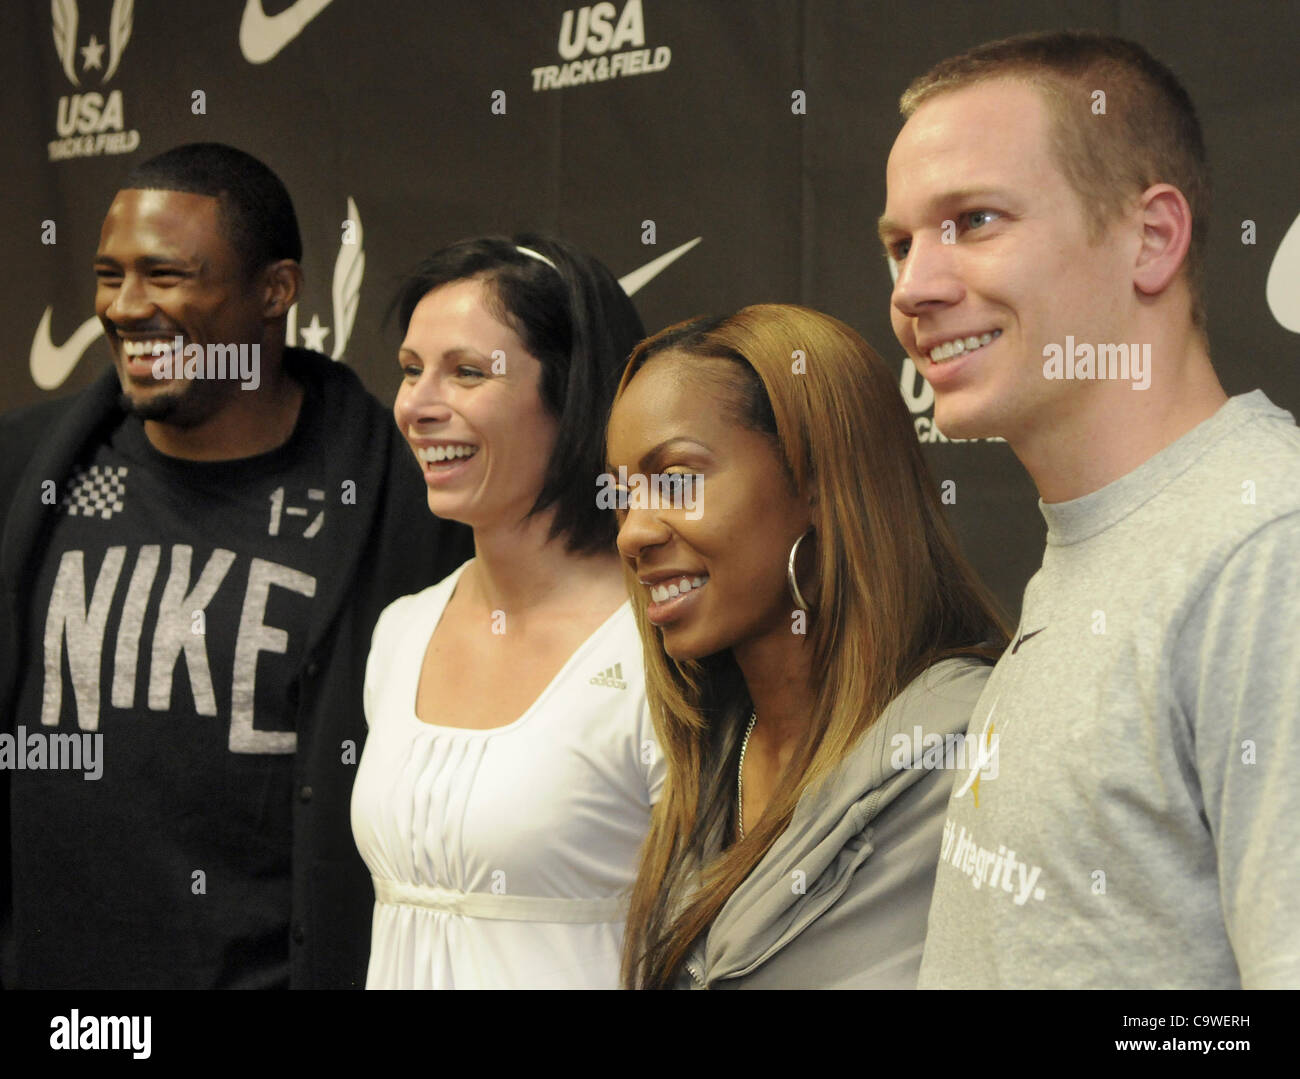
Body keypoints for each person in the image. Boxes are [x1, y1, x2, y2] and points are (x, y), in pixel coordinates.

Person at [881, 30, 1300, 989]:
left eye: (975, 220)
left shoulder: (1267, 549)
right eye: (900, 242)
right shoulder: (1104, 532)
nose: (914, 287)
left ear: (1152, 238)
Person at [0, 142, 470, 989]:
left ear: (276, 291)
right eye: (110, 275)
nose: (125, 307)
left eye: (166, 275)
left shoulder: (402, 501)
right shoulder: (28, 474)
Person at [605, 304, 1008, 989]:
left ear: (818, 480)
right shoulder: (708, 760)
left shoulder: (973, 752)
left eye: (675, 479)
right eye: (620, 496)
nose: (632, 533)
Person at [350, 234, 663, 989]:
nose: (419, 407)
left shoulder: (660, 641)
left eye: (465, 372)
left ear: (574, 391)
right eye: (411, 372)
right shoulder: (403, 629)